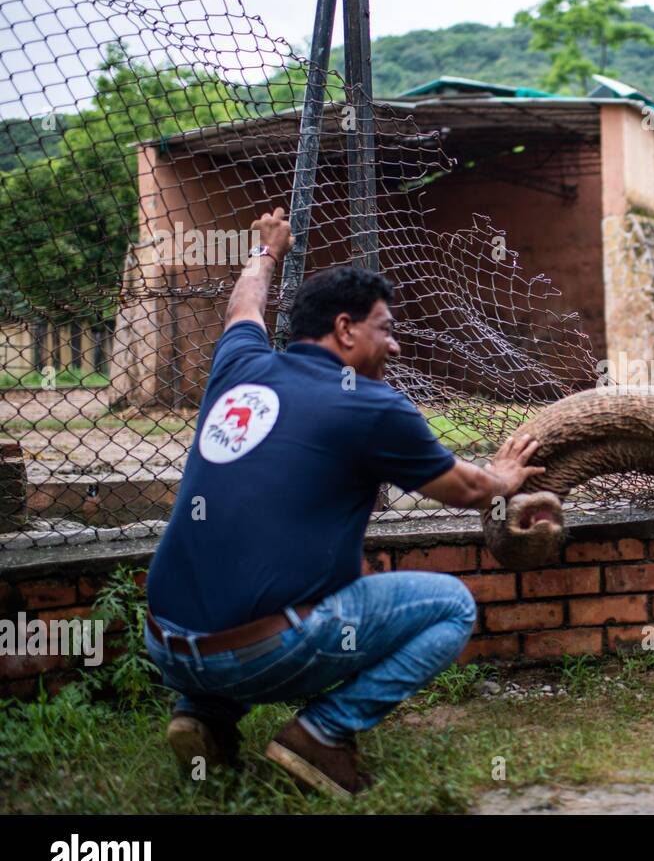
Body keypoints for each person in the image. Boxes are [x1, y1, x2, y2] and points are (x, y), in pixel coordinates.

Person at [144, 207, 543, 797]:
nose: (397, 345)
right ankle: (321, 735)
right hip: (257, 653)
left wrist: (267, 250)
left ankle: (203, 714)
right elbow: (468, 491)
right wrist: (505, 477)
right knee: (451, 606)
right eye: (386, 328)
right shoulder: (371, 406)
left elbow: (243, 306)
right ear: (346, 329)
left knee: (265, 578)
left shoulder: (240, 366)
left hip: (166, 643)